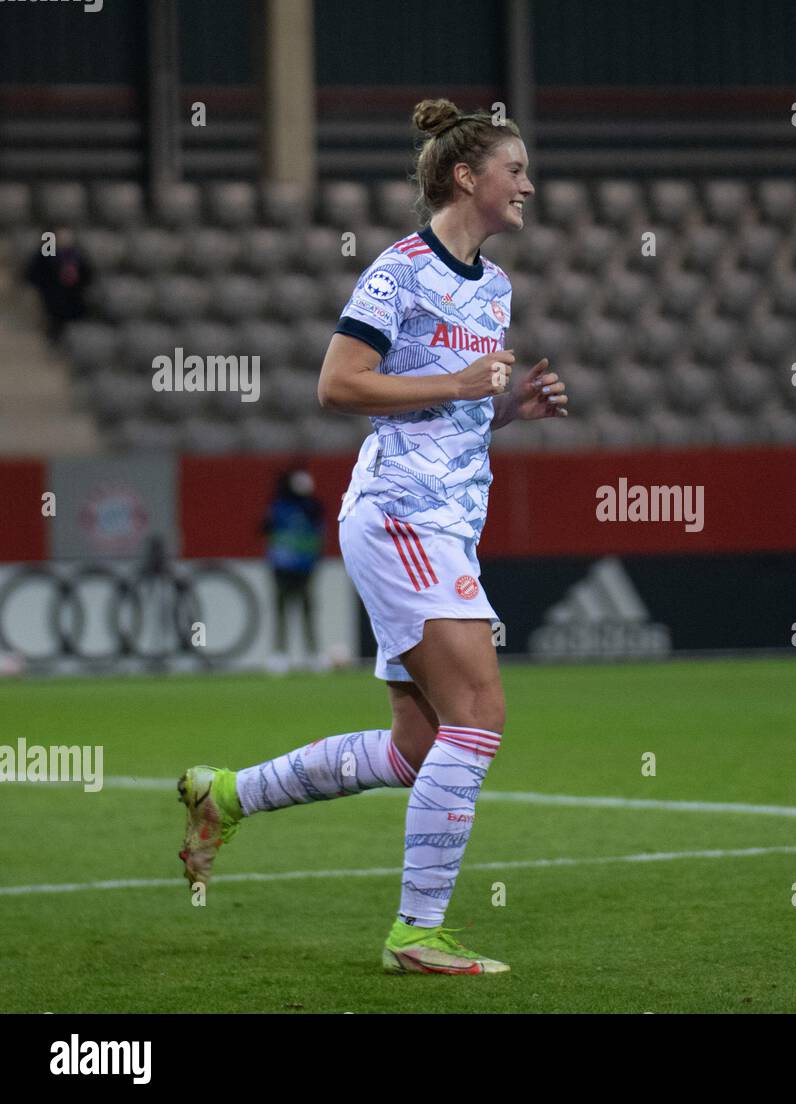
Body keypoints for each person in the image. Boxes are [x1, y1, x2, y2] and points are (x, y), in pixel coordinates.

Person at [176, 97, 567, 975]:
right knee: (481, 717)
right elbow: (338, 385)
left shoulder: (494, 288)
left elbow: (448, 415)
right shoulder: (396, 272)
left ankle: (227, 794)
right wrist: (461, 379)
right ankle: (416, 934)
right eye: (517, 171)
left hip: (442, 521)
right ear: (469, 178)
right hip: (402, 518)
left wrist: (506, 408)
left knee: (420, 747)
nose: (529, 187)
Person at [262, 467, 325, 672]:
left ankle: (313, 654)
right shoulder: (278, 506)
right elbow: (266, 529)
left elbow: (320, 532)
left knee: (308, 610)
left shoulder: (312, 507)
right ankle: (280, 654)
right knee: (281, 610)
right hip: (281, 566)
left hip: (305, 565)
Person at [24, 225, 93, 341]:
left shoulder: (77, 255)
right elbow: (35, 273)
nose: (65, 239)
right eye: (61, 236)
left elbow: (87, 276)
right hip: (53, 299)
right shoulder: (47, 254)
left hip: (73, 300)